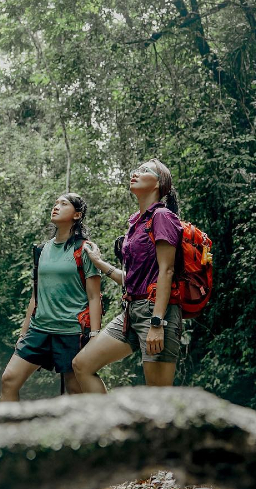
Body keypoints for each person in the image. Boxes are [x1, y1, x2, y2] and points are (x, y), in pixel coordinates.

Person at [73, 158, 183, 391]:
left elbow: (167, 271)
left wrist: (157, 322)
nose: (135, 173)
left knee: (158, 397)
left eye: (144, 171)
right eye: (136, 169)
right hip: (131, 313)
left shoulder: (162, 216)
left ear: (157, 183)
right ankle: (111, 425)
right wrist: (100, 263)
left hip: (155, 313)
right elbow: (135, 280)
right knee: (82, 365)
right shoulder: (137, 223)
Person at [0, 193, 102, 401]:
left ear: (77, 215)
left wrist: (94, 335)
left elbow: (94, 297)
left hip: (71, 331)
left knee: (75, 390)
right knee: (9, 379)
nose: (56, 207)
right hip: (39, 330)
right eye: (55, 203)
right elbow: (35, 295)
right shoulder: (41, 249)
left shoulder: (85, 250)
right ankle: (9, 433)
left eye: (63, 204)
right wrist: (23, 332)